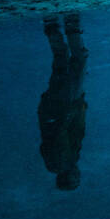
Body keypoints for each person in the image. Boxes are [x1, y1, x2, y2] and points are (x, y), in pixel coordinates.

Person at [38, 13, 87, 190]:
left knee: (78, 61)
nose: (79, 175)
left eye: (76, 179)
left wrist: (76, 108)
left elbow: (61, 131)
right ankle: (51, 26)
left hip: (67, 104)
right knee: (60, 62)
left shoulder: (64, 160)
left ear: (69, 177)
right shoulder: (57, 161)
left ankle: (72, 25)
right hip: (54, 105)